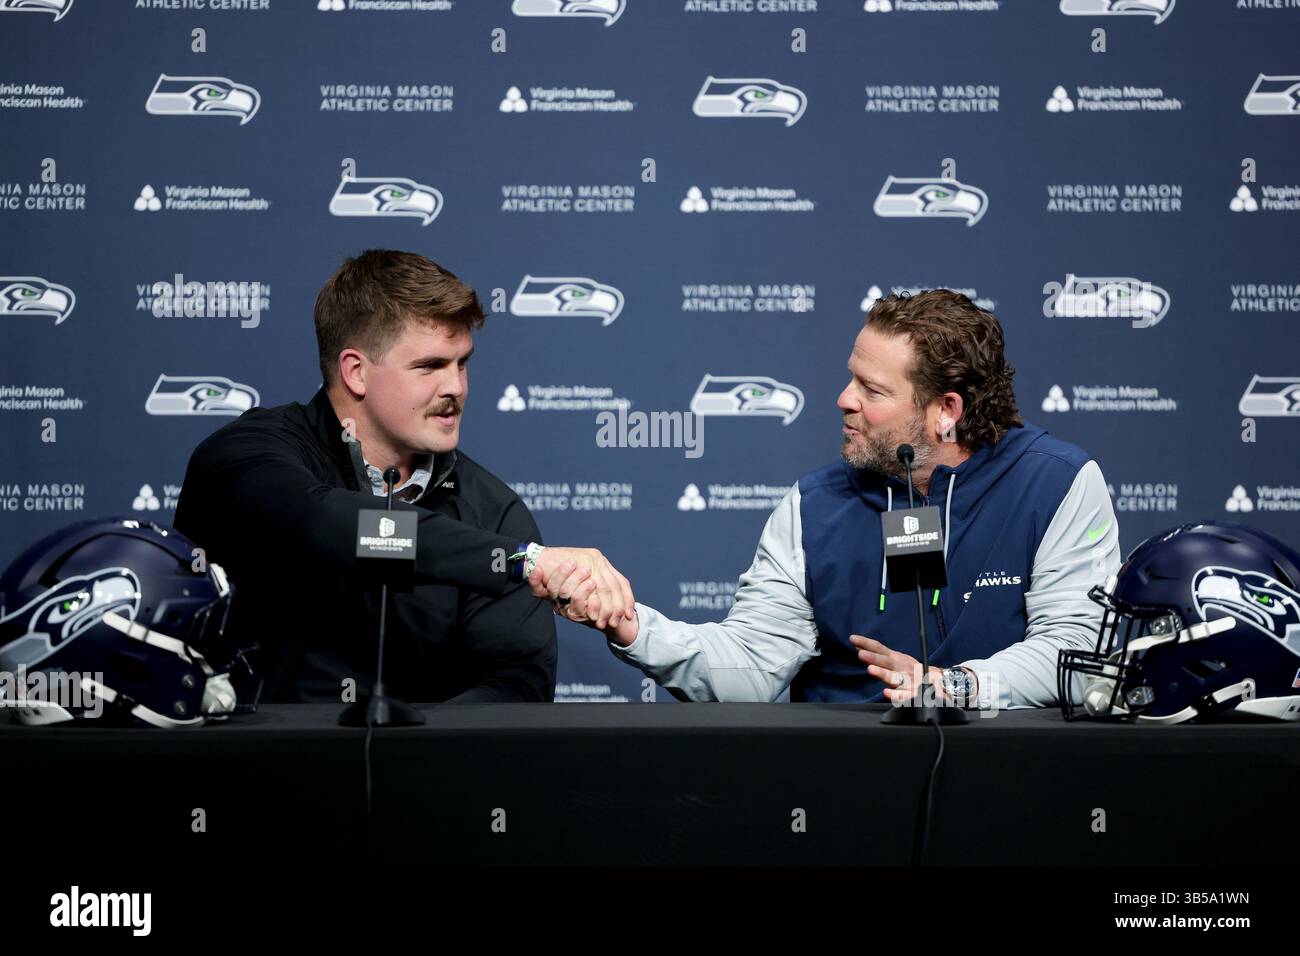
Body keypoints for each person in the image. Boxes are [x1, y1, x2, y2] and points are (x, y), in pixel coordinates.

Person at [539, 290, 1122, 709]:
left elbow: (1076, 649)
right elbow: (754, 662)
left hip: (1008, 773)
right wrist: (633, 628)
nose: (844, 399)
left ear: (946, 410)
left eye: (872, 389)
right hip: (848, 785)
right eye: (851, 378)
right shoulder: (813, 507)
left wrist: (953, 686)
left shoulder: (1057, 484)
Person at [175, 250, 633, 703]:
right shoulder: (246, 453)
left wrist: (409, 740)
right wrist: (516, 561)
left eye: (462, 363)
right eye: (430, 366)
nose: (455, 387)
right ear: (356, 372)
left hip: (426, 753)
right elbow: (327, 522)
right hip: (250, 751)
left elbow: (517, 686)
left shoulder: (492, 511)